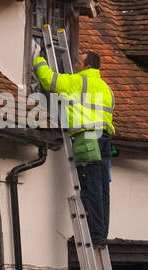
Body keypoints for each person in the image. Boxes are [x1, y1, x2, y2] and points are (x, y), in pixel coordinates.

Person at [32, 47, 115, 247]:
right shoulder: (106, 88)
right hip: (104, 140)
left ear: (87, 66)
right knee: (102, 190)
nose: (75, 65)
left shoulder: (79, 82)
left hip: (87, 139)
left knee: (90, 187)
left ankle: (94, 235)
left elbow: (49, 80)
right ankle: (101, 233)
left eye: (78, 63)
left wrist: (38, 60)